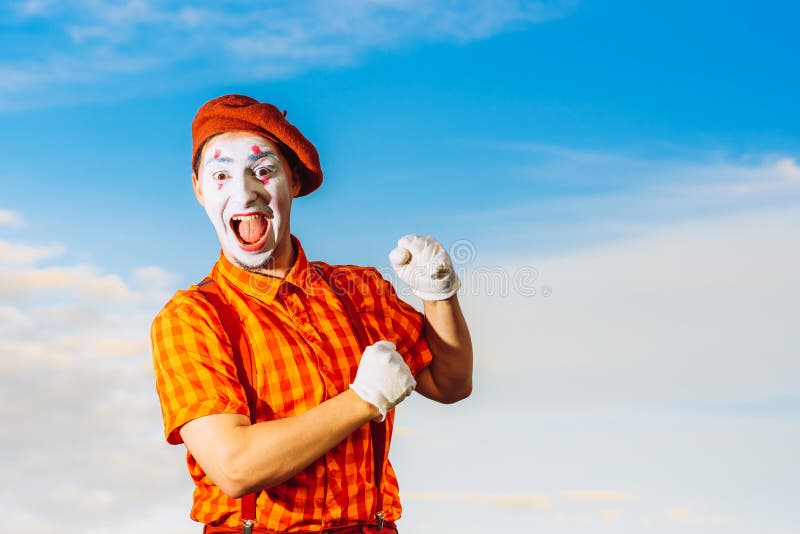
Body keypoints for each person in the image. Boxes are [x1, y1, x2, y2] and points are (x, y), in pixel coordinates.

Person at [151, 94, 472, 533]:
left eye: (263, 171)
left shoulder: (359, 291)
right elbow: (235, 467)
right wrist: (362, 400)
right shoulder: (191, 318)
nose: (245, 191)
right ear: (199, 190)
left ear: (294, 181)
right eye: (221, 175)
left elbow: (451, 384)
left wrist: (440, 295)